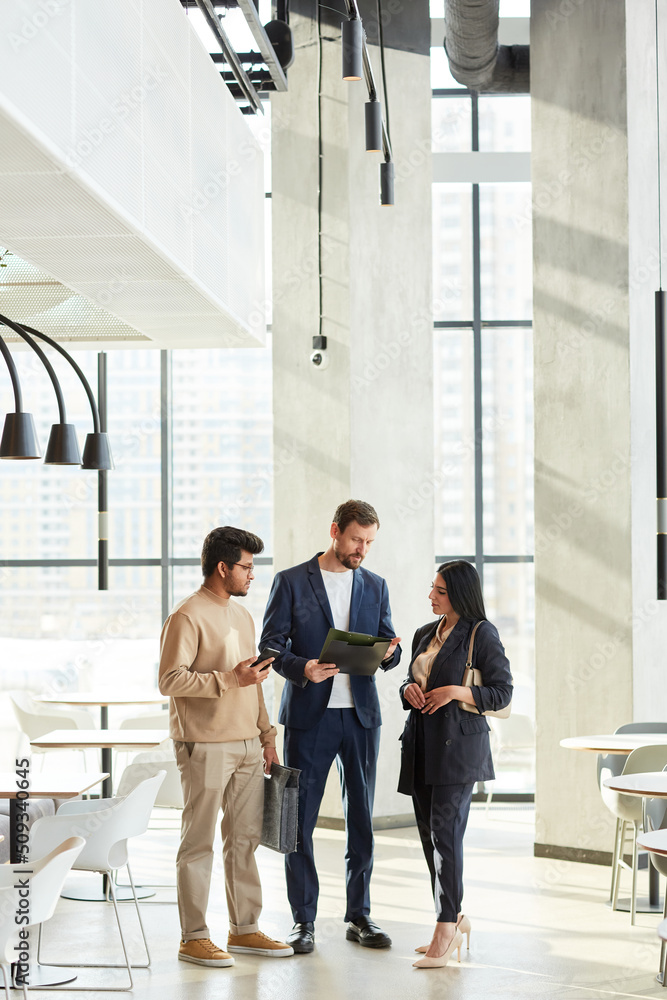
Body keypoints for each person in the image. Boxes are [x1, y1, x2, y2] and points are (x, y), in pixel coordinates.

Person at [261, 500, 401, 953]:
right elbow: (270, 646)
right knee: (298, 821)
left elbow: (386, 639)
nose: (363, 549)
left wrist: (391, 653)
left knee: (361, 819)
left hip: (361, 717)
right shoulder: (290, 581)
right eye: (357, 539)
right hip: (309, 717)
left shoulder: (375, 585)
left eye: (369, 542)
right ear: (335, 531)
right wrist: (303, 667)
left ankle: (359, 916)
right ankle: (303, 921)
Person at [159, 526, 294, 968]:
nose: (252, 576)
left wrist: (267, 736)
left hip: (248, 746)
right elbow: (170, 680)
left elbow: (252, 684)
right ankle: (193, 936)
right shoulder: (187, 615)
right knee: (198, 842)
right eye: (246, 567)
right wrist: (229, 679)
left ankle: (246, 929)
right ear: (223, 568)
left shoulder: (242, 616)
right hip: (204, 745)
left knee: (245, 840)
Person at [398, 560, 512, 970]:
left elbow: (501, 694)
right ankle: (454, 917)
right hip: (421, 748)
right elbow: (410, 681)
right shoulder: (423, 634)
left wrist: (454, 691)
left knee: (446, 838)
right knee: (431, 839)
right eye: (432, 588)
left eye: (440, 591)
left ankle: (446, 926)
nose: (431, 596)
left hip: (458, 752)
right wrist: (408, 689)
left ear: (460, 594)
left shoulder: (482, 634)